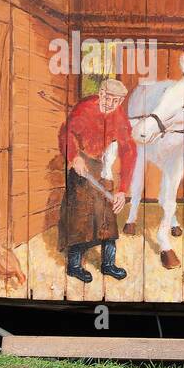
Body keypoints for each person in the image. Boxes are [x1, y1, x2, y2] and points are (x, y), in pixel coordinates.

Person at [57, 78, 136, 283]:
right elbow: (66, 134)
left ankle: (108, 264)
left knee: (107, 222)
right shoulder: (84, 109)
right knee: (80, 220)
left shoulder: (119, 117)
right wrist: (74, 157)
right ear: (101, 93)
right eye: (109, 98)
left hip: (102, 168)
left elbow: (129, 151)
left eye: (117, 101)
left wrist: (122, 190)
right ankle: (74, 266)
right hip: (82, 166)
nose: (111, 104)